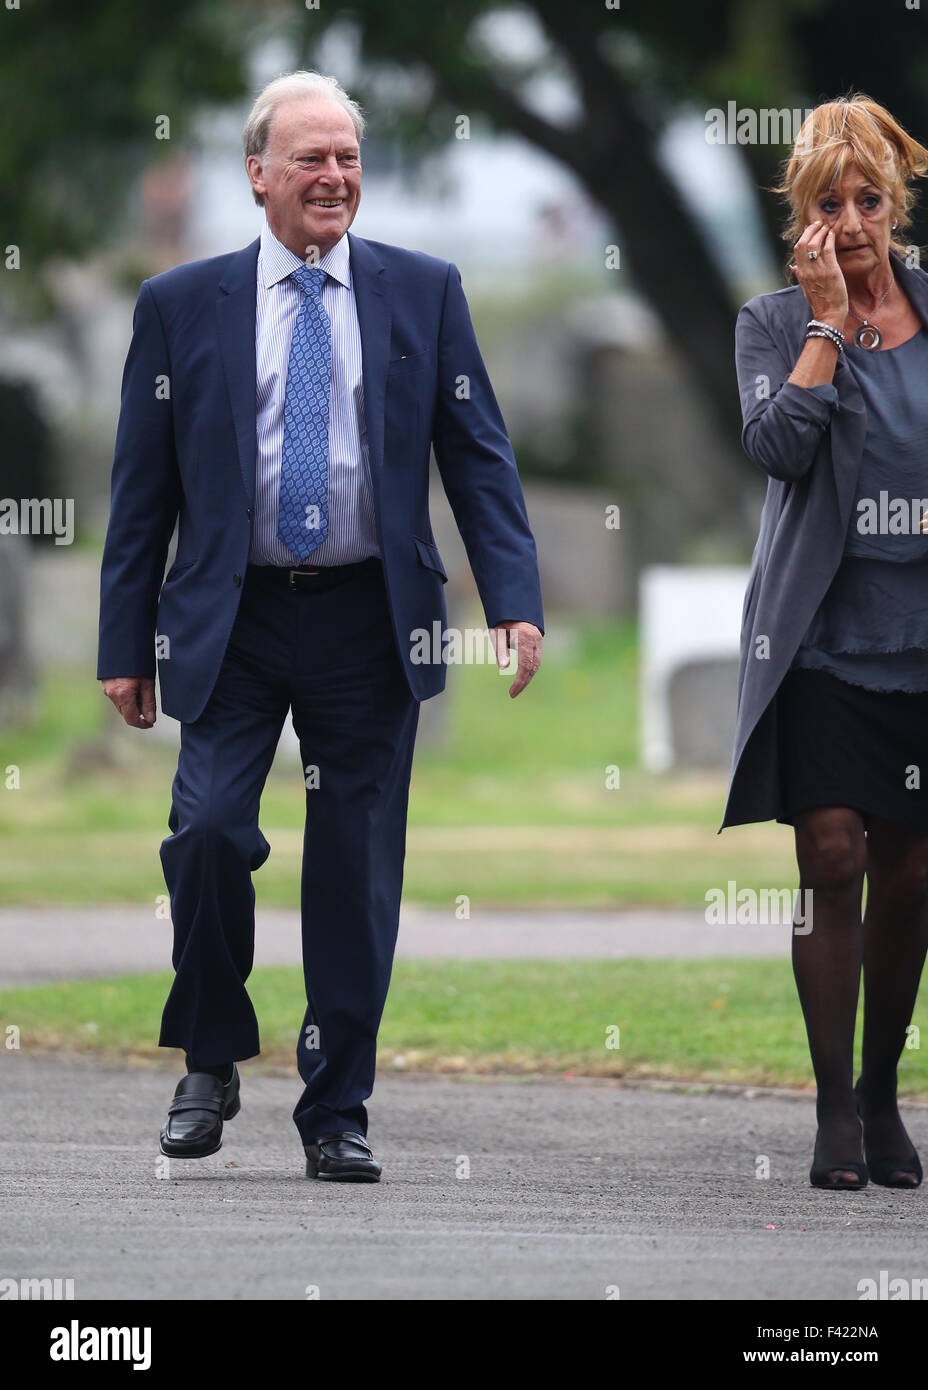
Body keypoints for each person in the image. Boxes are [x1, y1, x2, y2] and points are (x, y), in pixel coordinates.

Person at [97, 70, 544, 1182]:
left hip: (367, 619)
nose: (334, 176)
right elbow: (138, 490)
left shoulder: (423, 291)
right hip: (231, 617)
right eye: (310, 158)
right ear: (258, 175)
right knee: (204, 835)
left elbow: (476, 454)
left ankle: (336, 1104)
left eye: (347, 157)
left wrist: (515, 599)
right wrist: (121, 643)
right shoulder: (179, 304)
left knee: (353, 873)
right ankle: (210, 1052)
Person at [723, 95, 928, 1190]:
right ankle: (832, 1107)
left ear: (894, 205)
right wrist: (823, 325)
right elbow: (776, 448)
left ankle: (885, 1092)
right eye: (825, 202)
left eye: (866, 200)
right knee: (832, 855)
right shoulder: (770, 322)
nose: (848, 222)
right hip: (821, 644)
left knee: (908, 877)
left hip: (920, 643)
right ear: (798, 214)